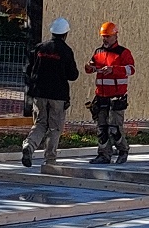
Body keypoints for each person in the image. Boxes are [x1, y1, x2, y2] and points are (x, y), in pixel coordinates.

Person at [22, 18, 79, 172]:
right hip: (58, 96)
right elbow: (73, 75)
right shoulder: (66, 51)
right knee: (54, 128)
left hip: (39, 93)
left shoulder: (40, 48)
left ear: (52, 32)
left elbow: (28, 69)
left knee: (40, 123)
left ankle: (29, 145)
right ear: (65, 34)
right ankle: (50, 160)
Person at [85, 20, 135, 164]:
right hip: (101, 96)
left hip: (116, 97)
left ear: (115, 36)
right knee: (101, 128)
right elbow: (91, 66)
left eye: (107, 36)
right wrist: (89, 68)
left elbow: (131, 69)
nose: (105, 39)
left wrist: (114, 69)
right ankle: (104, 154)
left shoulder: (123, 53)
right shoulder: (98, 52)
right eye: (103, 36)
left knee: (114, 128)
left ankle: (123, 150)